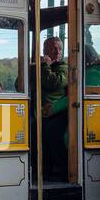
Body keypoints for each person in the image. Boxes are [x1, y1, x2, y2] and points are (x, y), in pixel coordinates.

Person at [31, 36, 69, 180]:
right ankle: (39, 169)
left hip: (57, 112)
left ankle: (59, 169)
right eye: (53, 48)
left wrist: (45, 66)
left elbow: (53, 82)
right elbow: (20, 83)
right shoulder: (40, 66)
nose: (57, 52)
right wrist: (36, 67)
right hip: (38, 111)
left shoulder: (64, 67)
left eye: (60, 48)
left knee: (50, 131)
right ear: (45, 50)